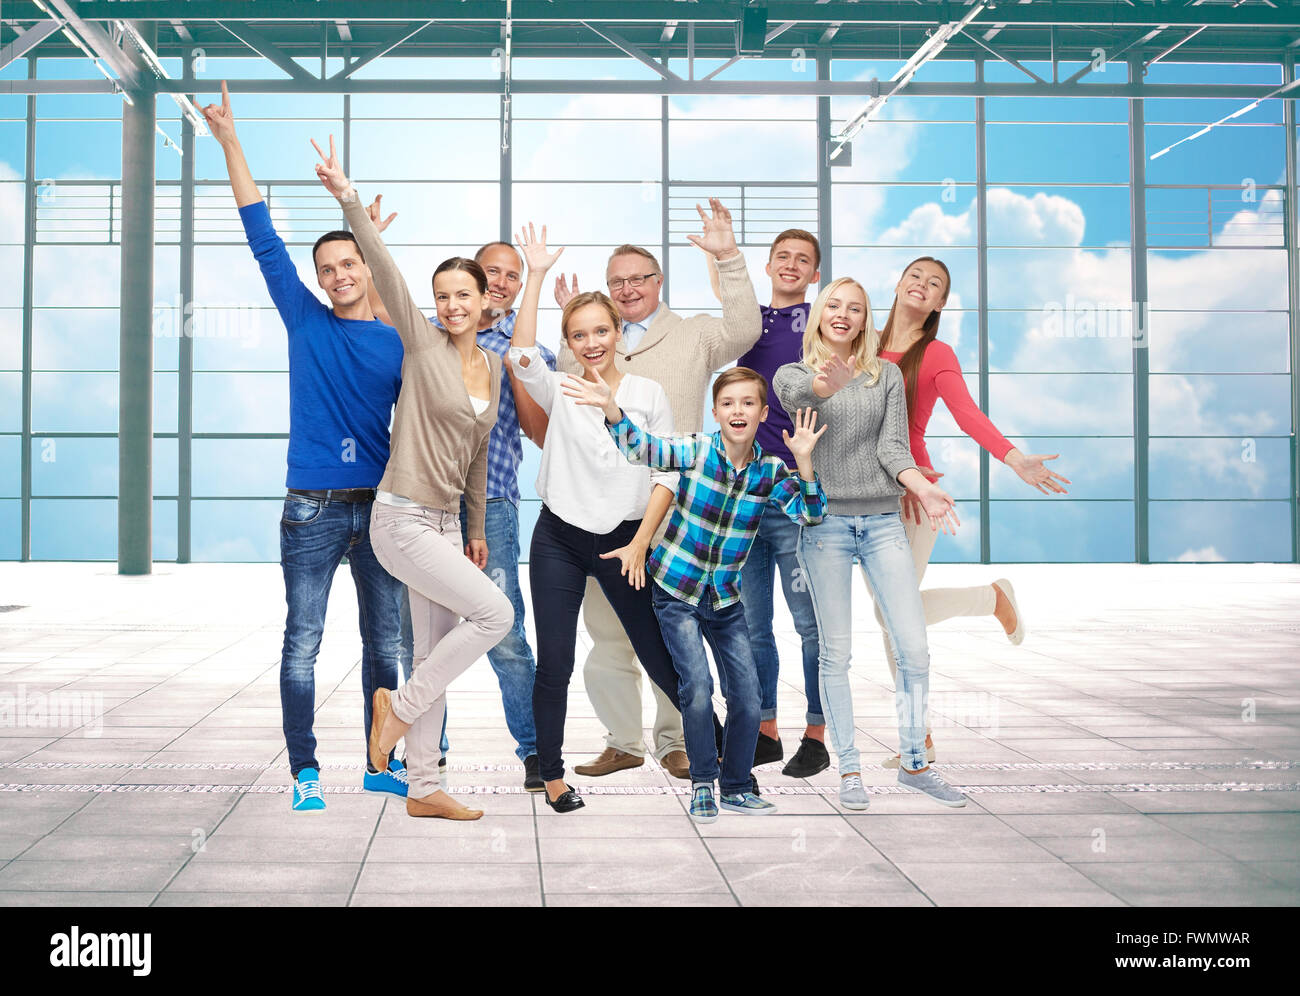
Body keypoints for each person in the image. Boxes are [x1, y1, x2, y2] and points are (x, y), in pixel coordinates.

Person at [202, 83, 408, 812]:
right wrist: (231, 142)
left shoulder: (400, 341)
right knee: (303, 642)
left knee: (387, 646)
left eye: (351, 263)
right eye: (328, 268)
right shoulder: (305, 318)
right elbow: (260, 232)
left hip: (381, 509)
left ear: (369, 267)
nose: (339, 275)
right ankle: (305, 770)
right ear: (318, 279)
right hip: (312, 508)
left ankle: (381, 764)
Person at [313, 136, 513, 821]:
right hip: (400, 518)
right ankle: (395, 710)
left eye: (463, 295)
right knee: (495, 615)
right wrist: (347, 196)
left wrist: (476, 529)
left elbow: (479, 456)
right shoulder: (422, 345)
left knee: (433, 650)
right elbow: (385, 268)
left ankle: (423, 787)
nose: (452, 305)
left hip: (448, 524)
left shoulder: (491, 367)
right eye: (442, 296)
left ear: (485, 301)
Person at [551, 199, 762, 780]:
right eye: (616, 282)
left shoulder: (693, 335)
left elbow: (746, 328)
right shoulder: (593, 341)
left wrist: (728, 256)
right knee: (608, 633)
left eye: (638, 278)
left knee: (674, 632)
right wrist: (567, 319)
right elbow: (563, 402)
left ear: (658, 280)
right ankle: (623, 740)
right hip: (604, 513)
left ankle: (677, 740)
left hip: (674, 510)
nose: (627, 289)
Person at [570, 365, 828, 822]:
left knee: (748, 694)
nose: (737, 410)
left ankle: (736, 787)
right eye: (728, 403)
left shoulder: (770, 471)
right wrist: (611, 408)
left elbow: (811, 514)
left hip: (725, 600)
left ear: (762, 413)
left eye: (747, 403)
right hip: (677, 593)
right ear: (715, 411)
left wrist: (804, 461)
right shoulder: (695, 450)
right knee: (697, 688)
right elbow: (642, 448)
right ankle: (704, 784)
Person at [774, 277, 967, 810]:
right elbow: (800, 397)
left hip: (883, 522)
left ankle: (915, 763)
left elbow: (893, 448)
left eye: (854, 308)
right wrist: (826, 386)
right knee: (836, 653)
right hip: (825, 527)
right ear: (819, 314)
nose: (843, 314)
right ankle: (850, 770)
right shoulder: (794, 373)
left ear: (865, 320)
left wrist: (922, 487)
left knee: (914, 649)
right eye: (833, 305)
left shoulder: (885, 375)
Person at [509, 223, 683, 813]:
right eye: (578, 334)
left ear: (618, 334)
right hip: (558, 537)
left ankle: (715, 755)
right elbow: (521, 354)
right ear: (568, 342)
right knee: (554, 660)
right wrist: (535, 275)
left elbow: (666, 474)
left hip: (625, 541)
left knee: (658, 652)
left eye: (601, 331)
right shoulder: (558, 386)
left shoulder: (647, 393)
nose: (591, 343)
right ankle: (553, 776)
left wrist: (641, 544)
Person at [875, 256, 1070, 766]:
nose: (922, 285)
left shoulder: (935, 354)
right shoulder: (862, 344)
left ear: (940, 303)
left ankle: (920, 735)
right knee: (890, 616)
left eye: (934, 284)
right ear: (897, 283)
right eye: (915, 276)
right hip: (864, 497)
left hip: (914, 496)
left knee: (891, 615)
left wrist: (1013, 457)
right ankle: (990, 600)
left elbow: (966, 414)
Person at [707, 229, 831, 776]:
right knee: (754, 624)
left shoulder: (821, 324)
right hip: (745, 495)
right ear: (768, 265)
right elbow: (726, 300)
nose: (791, 265)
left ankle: (817, 733)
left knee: (810, 624)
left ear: (815, 274)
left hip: (794, 490)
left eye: (803, 260)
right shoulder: (749, 321)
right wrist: (719, 255)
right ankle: (765, 730)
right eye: (783, 256)